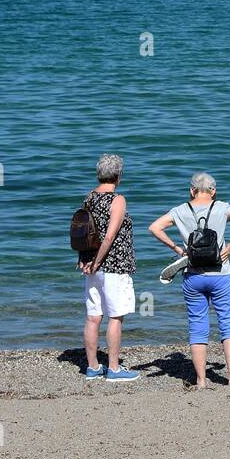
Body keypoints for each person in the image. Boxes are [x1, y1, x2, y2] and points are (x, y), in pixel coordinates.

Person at [149, 172, 230, 388]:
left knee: (197, 324)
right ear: (213, 190)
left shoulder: (180, 210)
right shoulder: (222, 207)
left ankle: (201, 380)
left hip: (193, 274)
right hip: (220, 273)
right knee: (228, 321)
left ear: (191, 190)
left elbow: (154, 227)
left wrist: (177, 248)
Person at [78, 154, 140, 382]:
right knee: (116, 316)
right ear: (118, 175)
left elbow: (82, 231)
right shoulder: (118, 200)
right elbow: (110, 237)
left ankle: (93, 367)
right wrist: (98, 260)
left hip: (91, 266)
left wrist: (85, 259)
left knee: (93, 316)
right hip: (114, 264)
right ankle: (114, 369)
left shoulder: (90, 198)